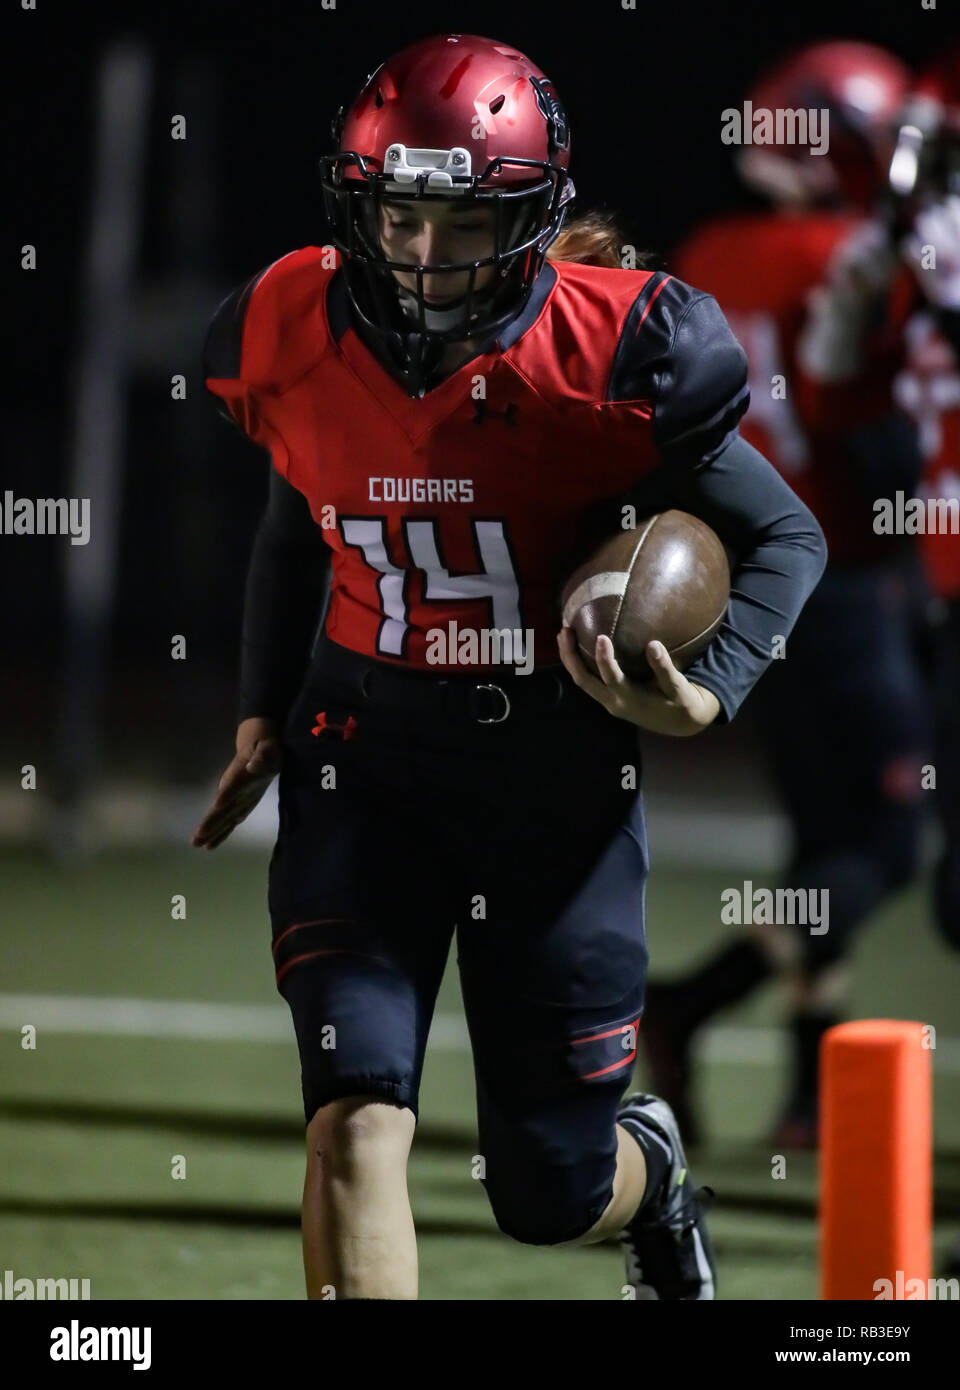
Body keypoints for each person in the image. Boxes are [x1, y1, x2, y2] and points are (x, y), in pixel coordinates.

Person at [192, 33, 825, 1299]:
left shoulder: (617, 356)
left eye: (465, 225)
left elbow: (784, 535)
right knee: (354, 1122)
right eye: (402, 218)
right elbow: (290, 522)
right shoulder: (287, 325)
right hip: (360, 763)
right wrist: (263, 711)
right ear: (357, 205)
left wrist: (715, 683)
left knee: (550, 1189)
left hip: (550, 781)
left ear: (531, 220)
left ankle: (648, 1171)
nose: (425, 259)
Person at [650, 41, 930, 1148]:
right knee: (893, 839)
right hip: (843, 584)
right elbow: (870, 438)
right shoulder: (851, 254)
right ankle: (692, 1000)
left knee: (822, 833)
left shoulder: (706, 254)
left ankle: (814, 1094)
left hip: (739, 591)